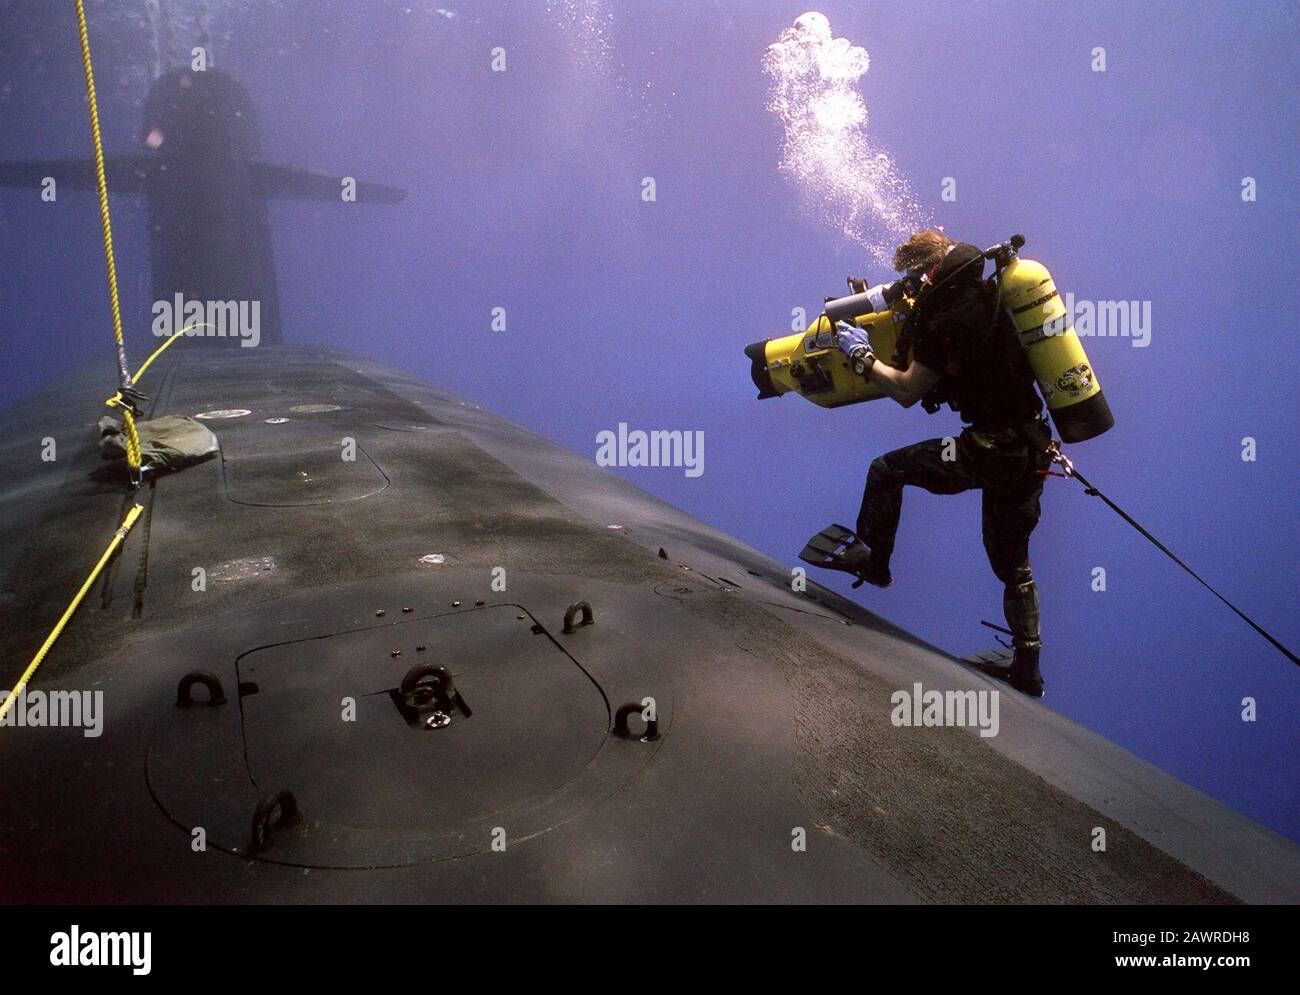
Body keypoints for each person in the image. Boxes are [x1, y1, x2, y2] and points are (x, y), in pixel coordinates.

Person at [834, 229, 1050, 697]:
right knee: (1012, 561)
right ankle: (1027, 663)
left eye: (910, 281)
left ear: (927, 272)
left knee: (887, 470)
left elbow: (909, 390)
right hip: (1033, 448)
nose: (907, 291)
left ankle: (874, 560)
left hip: (990, 447)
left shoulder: (942, 319)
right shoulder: (986, 294)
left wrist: (860, 356)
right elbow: (956, 364)